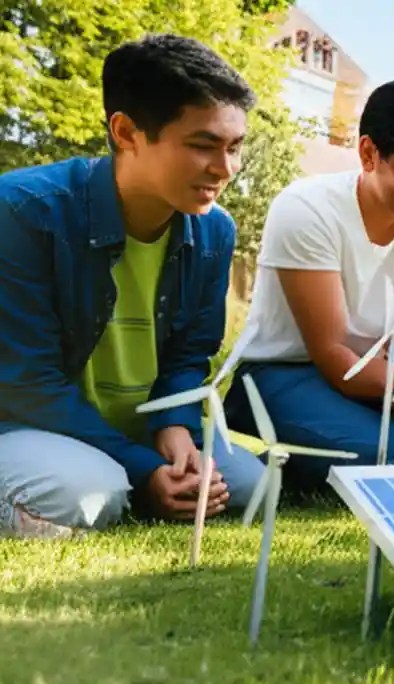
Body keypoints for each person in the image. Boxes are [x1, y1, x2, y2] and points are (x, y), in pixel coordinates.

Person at [0, 34, 266, 538]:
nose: (225, 169)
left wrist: (176, 428)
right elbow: (24, 381)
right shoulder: (21, 211)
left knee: (248, 486)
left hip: (135, 427)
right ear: (126, 132)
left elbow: (190, 356)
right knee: (89, 494)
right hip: (22, 423)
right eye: (202, 145)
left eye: (234, 147)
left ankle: (128, 475)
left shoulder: (214, 230)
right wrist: (145, 470)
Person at [225, 78, 394, 492]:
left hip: (370, 364)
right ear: (369, 153)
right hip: (283, 371)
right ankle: (256, 469)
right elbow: (335, 351)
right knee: (385, 453)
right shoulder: (305, 210)